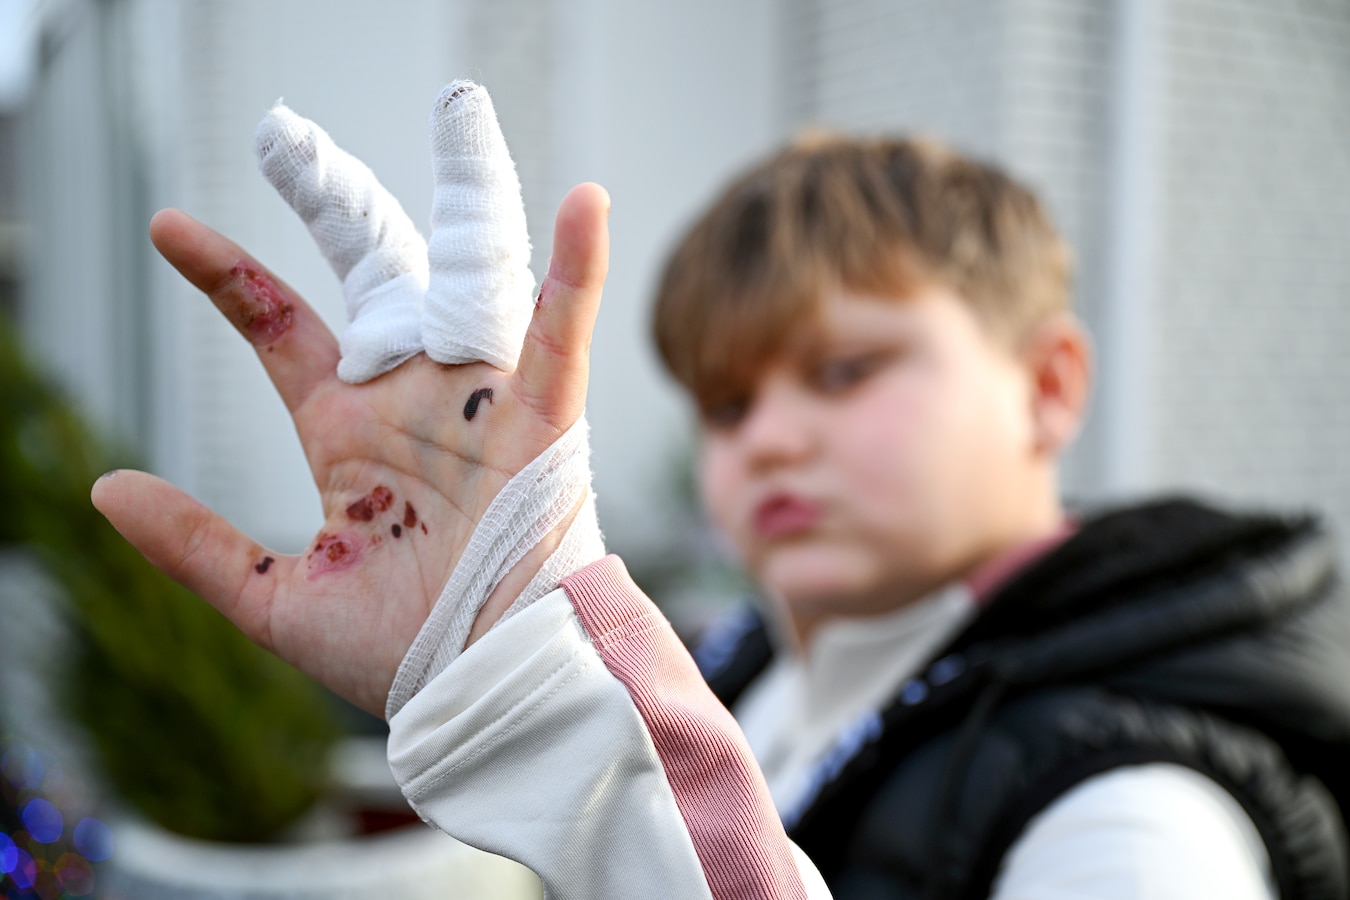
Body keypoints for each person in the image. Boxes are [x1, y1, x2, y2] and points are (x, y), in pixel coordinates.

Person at [90, 82, 1350, 899]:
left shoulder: (1136, 817)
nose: (775, 439)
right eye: (730, 404)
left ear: (1049, 384)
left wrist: (542, 672)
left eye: (846, 370)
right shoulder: (757, 671)